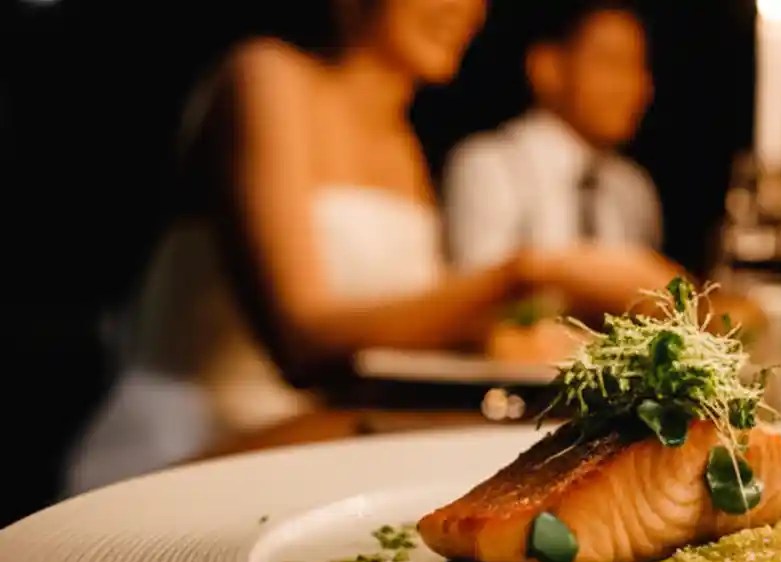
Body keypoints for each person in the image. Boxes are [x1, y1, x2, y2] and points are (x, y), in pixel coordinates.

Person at [64, 0, 676, 497]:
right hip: (197, 442)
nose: (467, 11)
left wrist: (529, 337)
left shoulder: (401, 144)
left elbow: (399, 326)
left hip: (316, 444)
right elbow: (302, 340)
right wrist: (529, 270)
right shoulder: (265, 76)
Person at [444, 0, 660, 270]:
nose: (634, 86)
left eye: (639, 67)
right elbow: (476, 291)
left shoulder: (631, 189)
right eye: (610, 63)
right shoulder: (491, 165)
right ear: (547, 67)